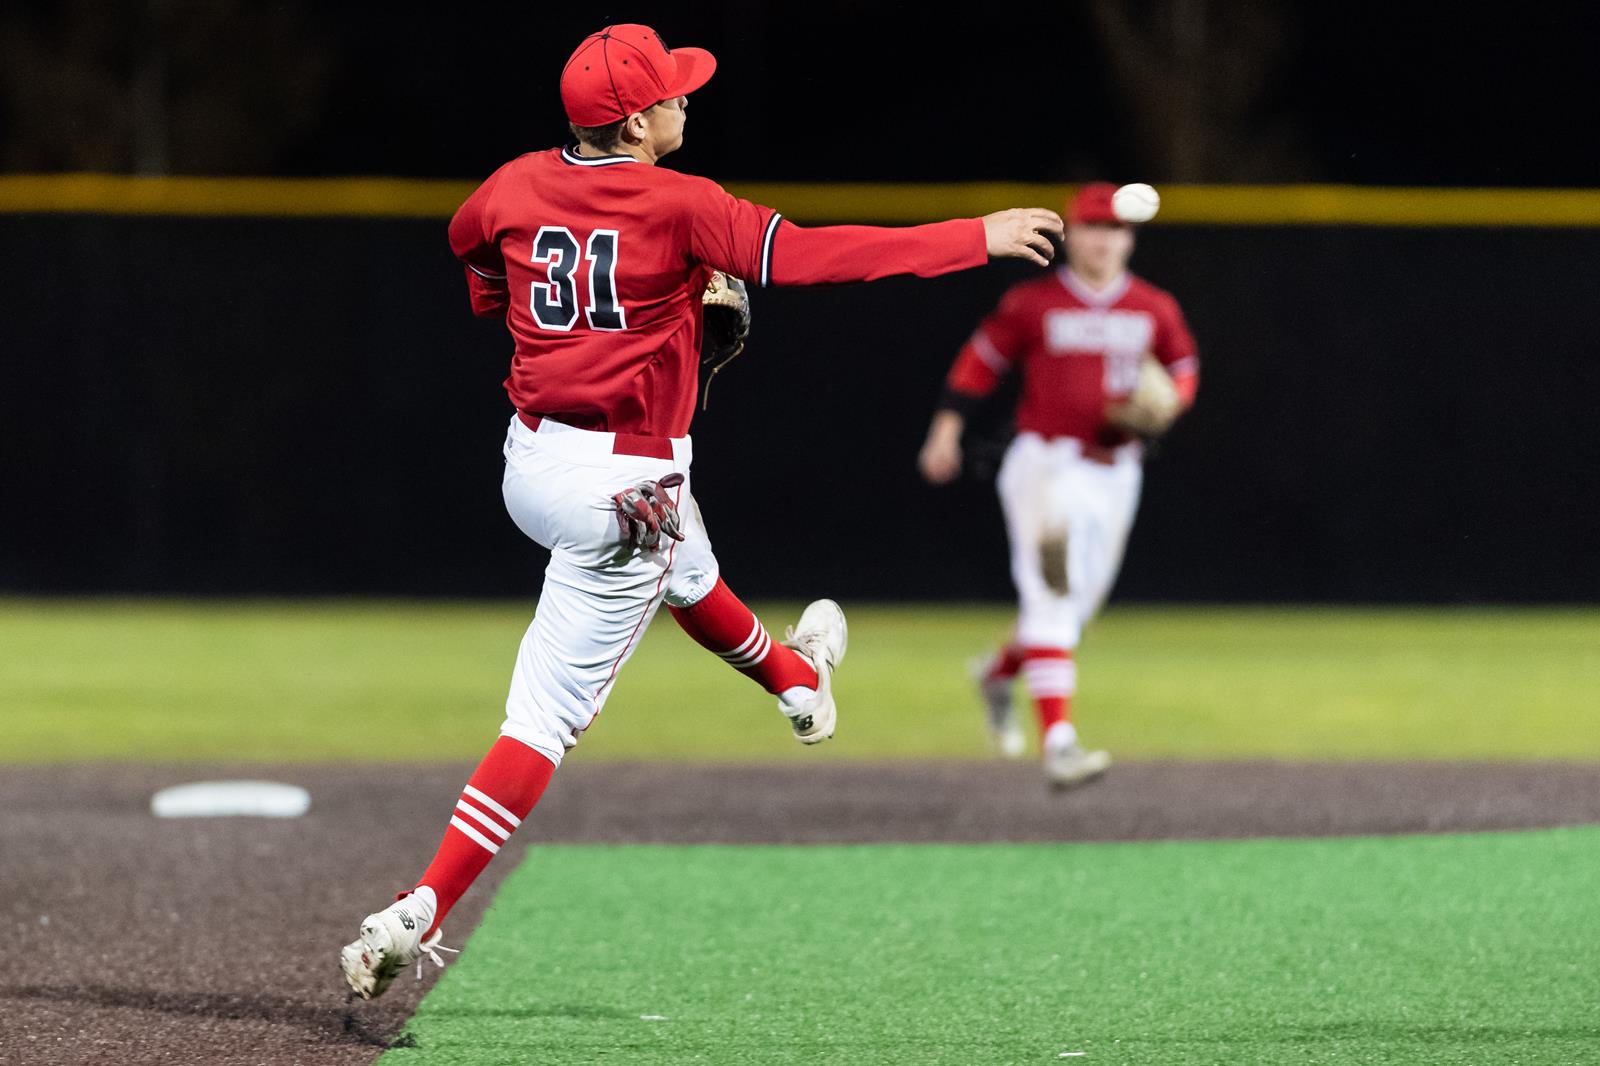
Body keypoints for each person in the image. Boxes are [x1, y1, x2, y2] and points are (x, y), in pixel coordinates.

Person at [339, 23, 1066, 999]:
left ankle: (799, 683)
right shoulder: (683, 203)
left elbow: (466, 240)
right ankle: (418, 909)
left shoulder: (513, 184)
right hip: (625, 489)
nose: (686, 101)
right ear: (637, 123)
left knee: (686, 567)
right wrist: (975, 236)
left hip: (532, 464)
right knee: (542, 720)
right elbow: (818, 256)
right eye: (672, 94)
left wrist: (499, 297)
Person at [917, 182, 1199, 789]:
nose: (1104, 240)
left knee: (1073, 611)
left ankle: (997, 674)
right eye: (1094, 227)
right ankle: (1060, 743)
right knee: (1051, 593)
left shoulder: (1153, 307)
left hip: (1116, 470)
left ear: (1130, 238)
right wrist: (946, 428)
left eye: (1116, 229)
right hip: (1046, 464)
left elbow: (1184, 369)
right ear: (1074, 235)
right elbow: (981, 360)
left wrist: (1172, 403)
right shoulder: (1033, 302)